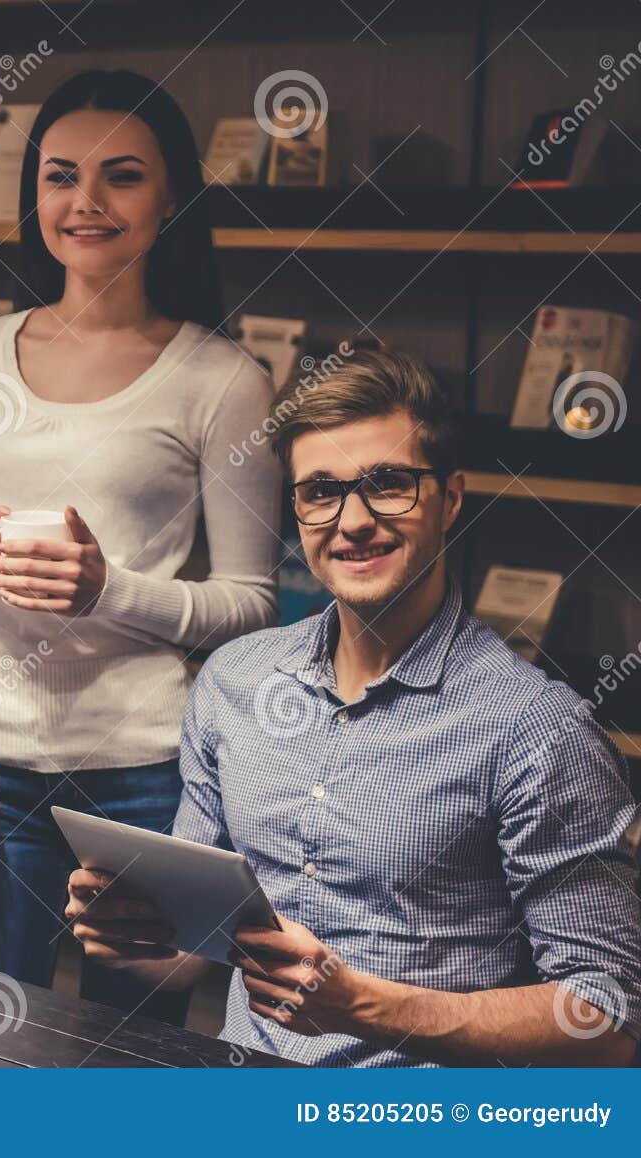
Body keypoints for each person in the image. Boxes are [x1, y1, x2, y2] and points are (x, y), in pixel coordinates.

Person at [68, 349, 641, 1066]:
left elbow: (608, 1016)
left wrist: (365, 1008)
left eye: (389, 484)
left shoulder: (538, 731)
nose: (354, 520)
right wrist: (134, 937)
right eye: (320, 491)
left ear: (451, 498)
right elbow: (191, 958)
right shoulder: (233, 682)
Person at [0, 69, 280, 994]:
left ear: (173, 195)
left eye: (124, 176)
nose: (87, 202)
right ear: (35, 197)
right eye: (61, 175)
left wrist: (110, 589)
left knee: (131, 1048)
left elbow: (254, 607)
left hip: (140, 771)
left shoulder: (224, 380)